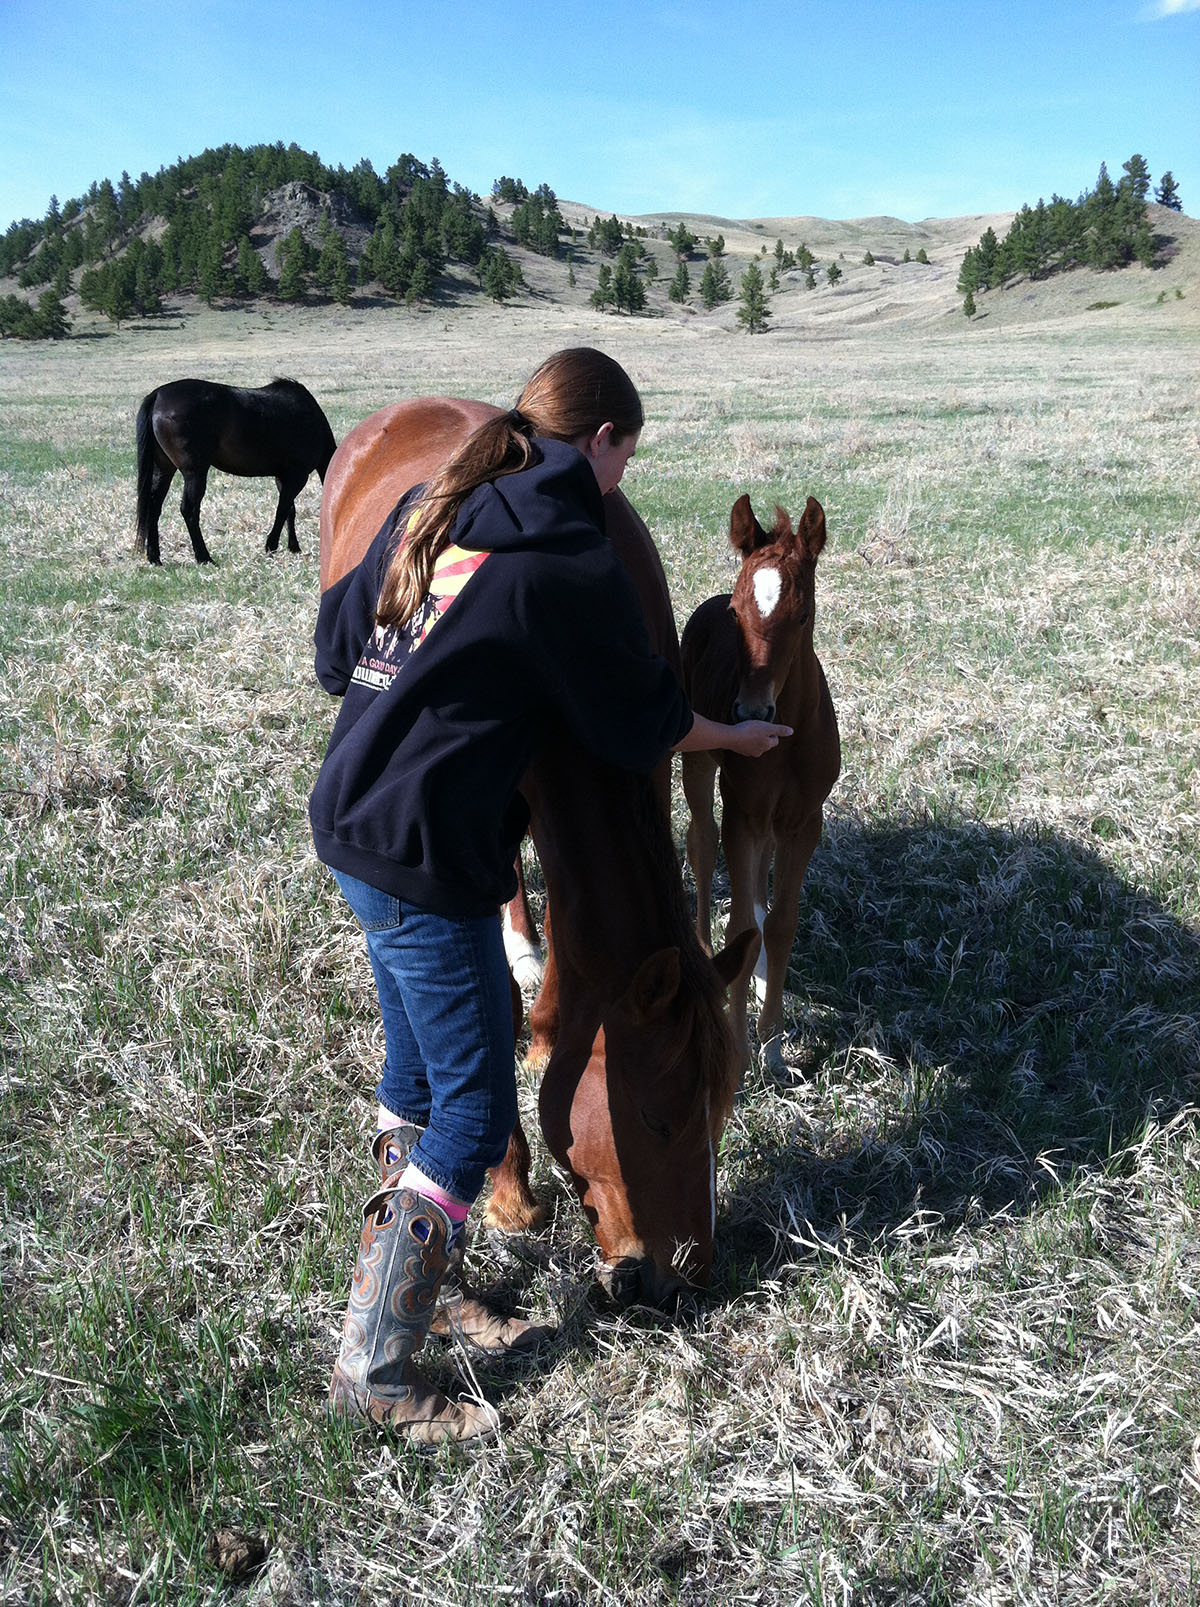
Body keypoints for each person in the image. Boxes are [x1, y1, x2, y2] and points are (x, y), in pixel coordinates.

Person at [310, 347, 790, 1444]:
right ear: (607, 442)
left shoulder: (436, 507)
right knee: (475, 1110)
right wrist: (729, 731)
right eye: (630, 454)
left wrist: (428, 683)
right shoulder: (572, 545)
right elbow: (632, 725)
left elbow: (337, 651)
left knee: (413, 1070)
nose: (624, 477)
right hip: (428, 854)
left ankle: (427, 1291)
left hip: (350, 821)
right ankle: (377, 1365)